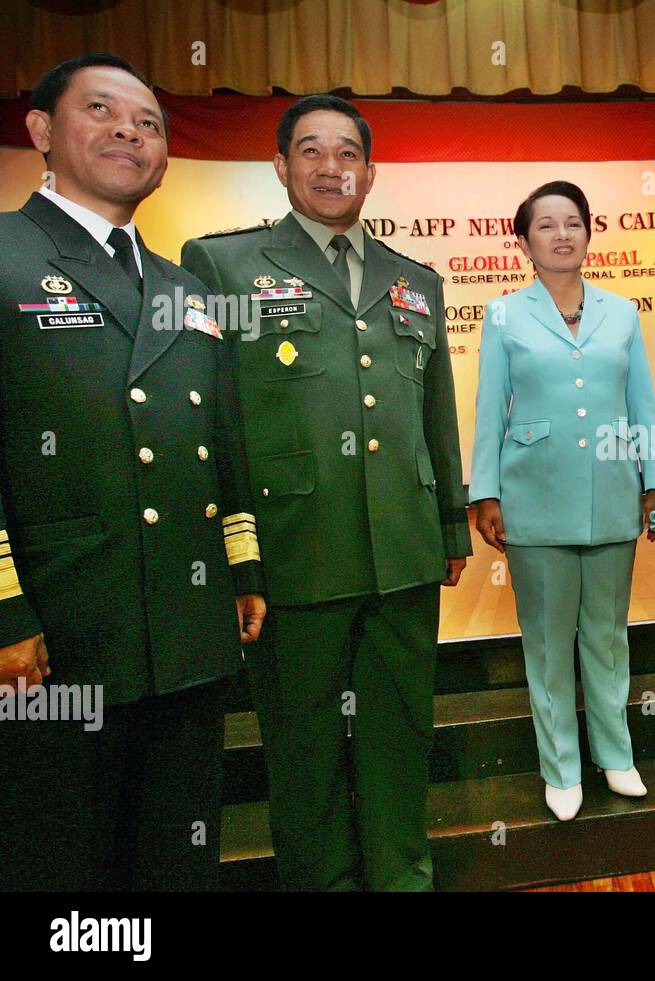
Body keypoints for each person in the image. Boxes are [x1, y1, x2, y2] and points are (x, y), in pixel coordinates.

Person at [181, 95, 470, 891]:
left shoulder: (415, 281)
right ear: (280, 166)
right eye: (311, 150)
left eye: (347, 153)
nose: (331, 166)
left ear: (371, 172)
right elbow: (218, 421)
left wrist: (450, 525)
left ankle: (401, 877)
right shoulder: (223, 266)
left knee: (399, 738)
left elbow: (432, 410)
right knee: (305, 750)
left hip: (405, 553)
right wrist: (238, 558)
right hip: (293, 552)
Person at [0, 53, 266, 890]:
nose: (130, 132)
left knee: (177, 853)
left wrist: (241, 564)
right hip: (59, 634)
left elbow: (220, 442)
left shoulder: (188, 289)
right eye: (103, 111)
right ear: (42, 131)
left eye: (149, 123)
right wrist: (4, 610)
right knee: (63, 858)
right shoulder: (4, 256)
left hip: (188, 629)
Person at [469, 181, 655, 822]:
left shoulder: (622, 312)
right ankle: (560, 767)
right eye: (546, 225)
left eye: (573, 223)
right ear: (524, 241)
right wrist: (487, 493)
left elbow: (642, 401)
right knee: (550, 644)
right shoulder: (503, 314)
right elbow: (487, 414)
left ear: (589, 233)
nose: (562, 234)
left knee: (608, 638)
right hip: (533, 497)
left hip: (612, 494)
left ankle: (616, 757)